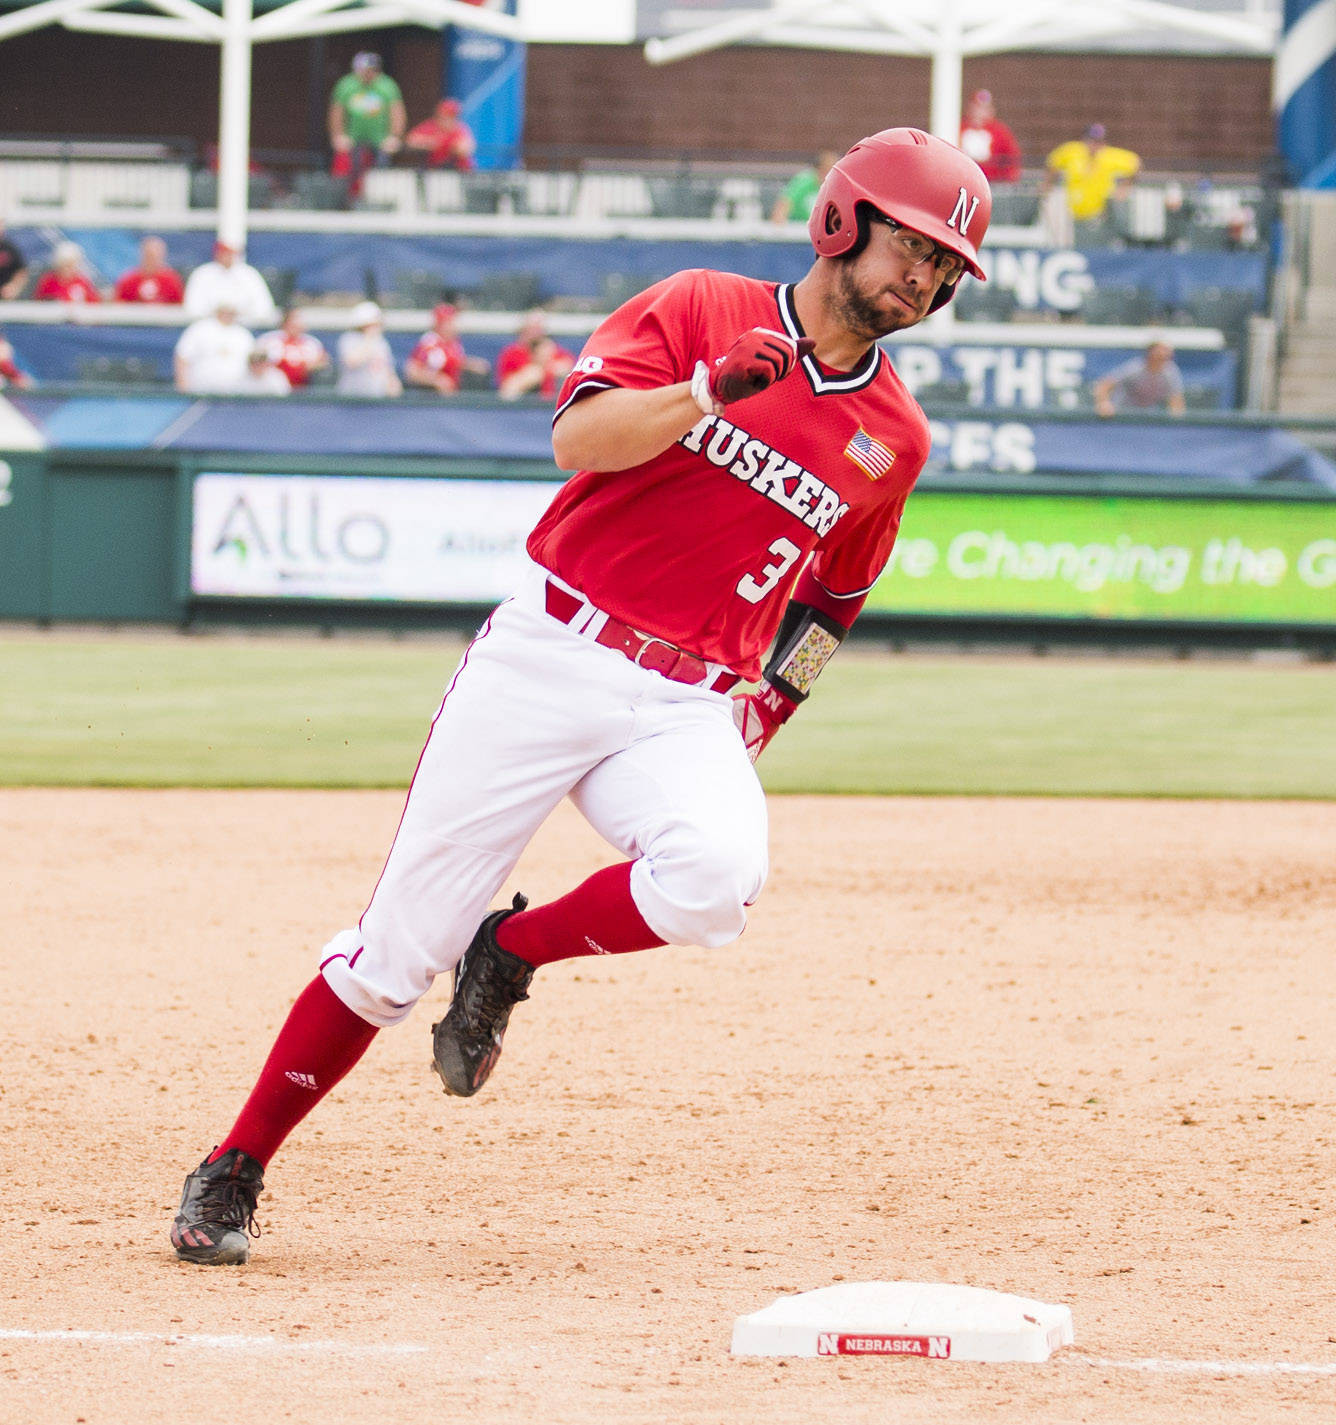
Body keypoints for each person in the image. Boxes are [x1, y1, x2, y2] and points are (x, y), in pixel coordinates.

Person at [166, 126, 993, 1267]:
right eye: (914, 245)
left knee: (715, 881)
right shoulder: (703, 306)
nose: (926, 277)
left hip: (688, 702)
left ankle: (512, 953)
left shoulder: (891, 437)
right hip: (551, 654)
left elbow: (833, 606)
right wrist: (703, 393)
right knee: (397, 955)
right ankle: (238, 1164)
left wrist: (767, 716)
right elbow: (576, 441)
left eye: (947, 267)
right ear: (844, 220)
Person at [328, 51, 405, 184]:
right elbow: (337, 112)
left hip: (380, 139)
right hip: (352, 138)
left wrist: (394, 136)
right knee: (349, 173)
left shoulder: (387, 85)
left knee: (381, 172)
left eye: (372, 70)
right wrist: (338, 135)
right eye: (364, 70)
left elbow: (397, 112)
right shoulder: (346, 85)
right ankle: (350, 201)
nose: (368, 74)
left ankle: (377, 199)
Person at [1045, 123, 1142, 224]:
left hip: (1100, 216)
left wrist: (1124, 187)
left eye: (1098, 142)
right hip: (1073, 214)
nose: (1094, 146)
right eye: (1091, 141)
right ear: (1084, 140)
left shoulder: (1109, 155)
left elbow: (1136, 164)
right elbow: (1053, 162)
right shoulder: (1072, 151)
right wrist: (1048, 183)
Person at [183, 241, 277, 329]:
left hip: (243, 327)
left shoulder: (249, 274)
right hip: (208, 328)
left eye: (230, 253)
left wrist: (238, 314)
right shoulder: (202, 274)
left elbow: (264, 307)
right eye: (223, 253)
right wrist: (218, 313)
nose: (227, 257)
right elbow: (193, 308)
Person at [403, 301, 486, 394]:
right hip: (431, 398)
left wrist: (471, 364)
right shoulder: (429, 343)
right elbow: (412, 372)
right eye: (449, 322)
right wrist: (436, 380)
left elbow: (454, 361)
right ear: (440, 325)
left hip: (452, 395)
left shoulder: (453, 343)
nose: (454, 326)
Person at [174, 300, 255, 394]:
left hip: (235, 396)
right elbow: (182, 357)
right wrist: (183, 388)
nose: (227, 314)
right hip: (200, 393)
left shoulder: (243, 334)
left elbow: (253, 364)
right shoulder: (200, 328)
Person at [1093, 341, 1185, 417]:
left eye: (1166, 352)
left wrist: (1177, 417)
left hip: (1146, 418)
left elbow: (1176, 399)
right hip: (1121, 415)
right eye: (1160, 351)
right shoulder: (1135, 368)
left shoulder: (1171, 372)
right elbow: (1104, 385)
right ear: (1150, 353)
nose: (1163, 355)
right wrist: (1104, 403)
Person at [495, 311, 574, 401]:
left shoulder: (555, 351)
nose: (534, 333)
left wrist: (546, 365)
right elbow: (506, 391)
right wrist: (531, 375)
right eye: (531, 329)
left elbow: (567, 369)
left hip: (551, 405)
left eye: (538, 329)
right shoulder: (511, 353)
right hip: (522, 406)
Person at [335, 302, 401, 397]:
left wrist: (393, 384)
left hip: (377, 399)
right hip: (352, 401)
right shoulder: (349, 339)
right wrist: (369, 338)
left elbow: (388, 370)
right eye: (373, 324)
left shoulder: (381, 342)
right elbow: (352, 362)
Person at [958, 90, 1021, 184]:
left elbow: (1012, 157)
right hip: (965, 181)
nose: (979, 112)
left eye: (984, 108)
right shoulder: (959, 128)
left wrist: (1009, 179)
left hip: (993, 183)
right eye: (976, 107)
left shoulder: (1000, 131)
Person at [258, 307, 329, 389]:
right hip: (275, 387)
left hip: (305, 386)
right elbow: (260, 362)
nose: (297, 325)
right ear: (285, 323)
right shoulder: (270, 339)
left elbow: (323, 362)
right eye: (293, 321)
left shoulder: (312, 342)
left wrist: (304, 368)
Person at [405, 98, 474, 171]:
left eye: (452, 116)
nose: (448, 119)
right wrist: (429, 143)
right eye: (446, 115)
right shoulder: (431, 126)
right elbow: (410, 140)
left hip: (459, 171)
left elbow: (465, 149)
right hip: (435, 171)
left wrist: (449, 145)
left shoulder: (460, 129)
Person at [771, 149, 837, 224]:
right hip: (797, 226)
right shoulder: (805, 181)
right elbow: (785, 203)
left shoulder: (834, 186)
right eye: (827, 169)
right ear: (820, 168)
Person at [113, 236, 185, 305]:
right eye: (149, 256)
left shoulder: (171, 280)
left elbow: (179, 305)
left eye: (156, 256)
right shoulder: (129, 281)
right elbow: (119, 305)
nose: (152, 260)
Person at [34, 242, 101, 303]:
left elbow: (93, 304)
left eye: (71, 265)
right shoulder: (48, 282)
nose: (67, 269)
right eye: (65, 264)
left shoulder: (82, 282)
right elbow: (39, 303)